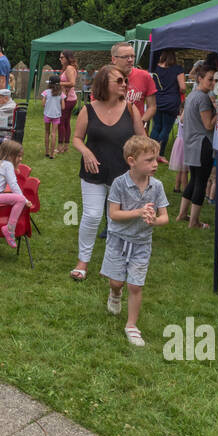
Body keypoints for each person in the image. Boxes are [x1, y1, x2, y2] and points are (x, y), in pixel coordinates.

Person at [70, 64, 144, 281]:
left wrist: (145, 161)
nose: (124, 84)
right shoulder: (88, 109)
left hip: (122, 175)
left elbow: (142, 140)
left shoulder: (131, 109)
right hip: (93, 173)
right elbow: (76, 138)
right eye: (118, 81)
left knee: (116, 221)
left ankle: (114, 264)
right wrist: (85, 151)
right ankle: (82, 262)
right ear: (104, 84)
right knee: (92, 216)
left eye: (125, 81)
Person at [101, 135, 169, 346]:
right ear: (132, 161)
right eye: (149, 160)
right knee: (116, 281)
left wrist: (154, 220)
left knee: (136, 285)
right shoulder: (119, 184)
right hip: (118, 240)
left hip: (141, 243)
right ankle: (114, 293)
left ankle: (131, 325)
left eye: (155, 159)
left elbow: (165, 217)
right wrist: (138, 212)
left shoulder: (156, 187)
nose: (155, 164)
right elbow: (113, 214)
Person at [174, 65, 218, 230]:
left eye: (215, 79)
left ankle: (182, 215)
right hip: (202, 144)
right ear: (200, 78)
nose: (213, 82)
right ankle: (194, 222)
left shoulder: (192, 95)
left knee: (194, 179)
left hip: (192, 143)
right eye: (210, 79)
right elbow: (208, 125)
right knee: (200, 181)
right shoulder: (203, 98)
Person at [110, 42, 157, 127]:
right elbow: (95, 105)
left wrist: (140, 122)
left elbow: (152, 107)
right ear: (114, 59)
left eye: (132, 56)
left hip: (135, 130)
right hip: (111, 127)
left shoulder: (145, 76)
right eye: (125, 57)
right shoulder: (105, 78)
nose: (130, 60)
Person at [149, 50, 185, 157]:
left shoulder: (154, 68)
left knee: (156, 126)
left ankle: (150, 151)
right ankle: (159, 153)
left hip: (157, 100)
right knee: (166, 128)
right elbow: (183, 87)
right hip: (171, 101)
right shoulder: (177, 69)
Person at [57, 51, 79, 156]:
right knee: (66, 122)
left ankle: (60, 147)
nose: (60, 59)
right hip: (69, 98)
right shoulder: (68, 68)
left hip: (68, 99)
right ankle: (65, 146)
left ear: (68, 58)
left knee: (61, 122)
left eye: (62, 57)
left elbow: (72, 83)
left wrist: (58, 83)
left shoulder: (69, 68)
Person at [41, 74, 63, 158]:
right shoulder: (60, 93)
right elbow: (63, 107)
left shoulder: (46, 92)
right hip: (56, 116)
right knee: (54, 134)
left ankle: (46, 152)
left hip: (47, 114)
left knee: (47, 132)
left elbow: (43, 104)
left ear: (49, 83)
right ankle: (52, 154)